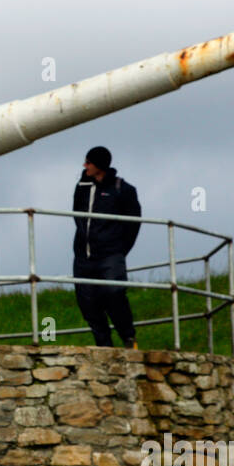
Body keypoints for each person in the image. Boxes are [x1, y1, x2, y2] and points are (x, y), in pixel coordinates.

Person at [72, 146, 141, 348]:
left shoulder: (124, 190)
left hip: (110, 255)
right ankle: (104, 347)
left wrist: (118, 249)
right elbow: (77, 214)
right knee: (88, 303)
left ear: (99, 166)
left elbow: (133, 223)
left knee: (114, 293)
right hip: (83, 257)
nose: (84, 166)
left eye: (89, 162)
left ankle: (128, 338)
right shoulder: (82, 186)